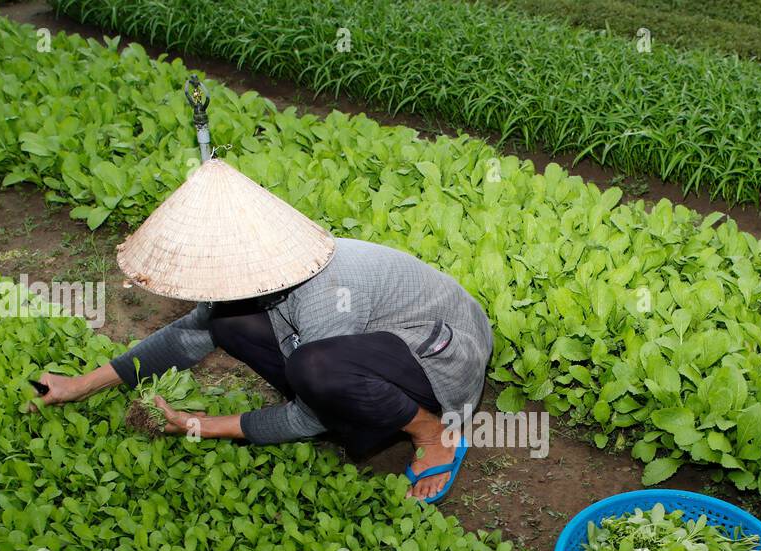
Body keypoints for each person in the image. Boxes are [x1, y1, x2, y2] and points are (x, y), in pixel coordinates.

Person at [32, 159, 493, 504]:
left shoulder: (325, 292)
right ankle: (364, 409)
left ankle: (433, 433)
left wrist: (201, 427)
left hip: (443, 357)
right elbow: (185, 336)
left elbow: (309, 416)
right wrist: (78, 386)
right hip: (375, 349)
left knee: (315, 367)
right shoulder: (259, 276)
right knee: (224, 322)